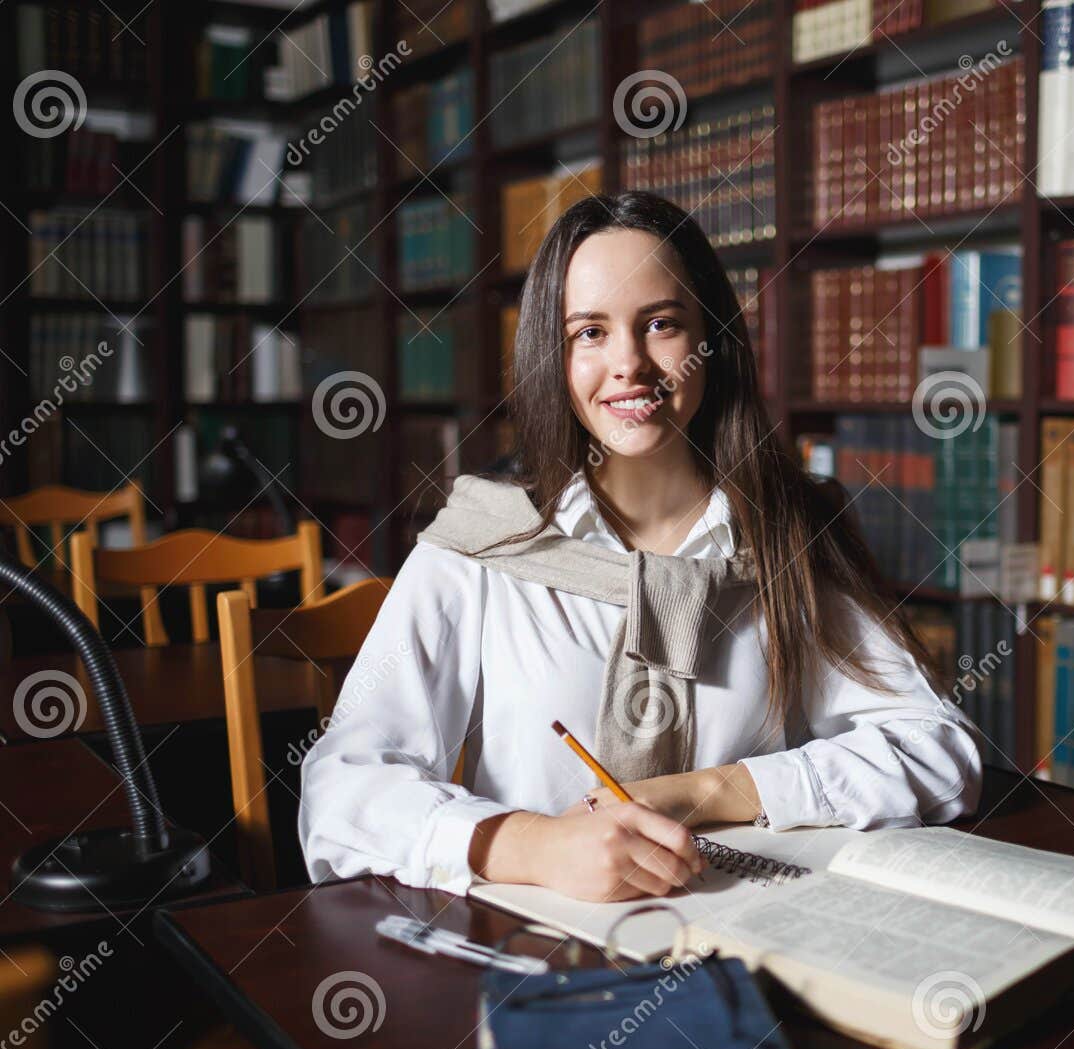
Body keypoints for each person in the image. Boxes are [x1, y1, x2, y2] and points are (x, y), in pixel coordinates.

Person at [298, 190, 984, 904]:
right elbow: (340, 790)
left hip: (748, 935)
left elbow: (938, 750)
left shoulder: (786, 531)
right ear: (553, 357)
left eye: (660, 323)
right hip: (538, 955)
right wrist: (534, 845)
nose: (628, 363)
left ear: (709, 340)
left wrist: (704, 791)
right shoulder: (483, 543)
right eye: (589, 332)